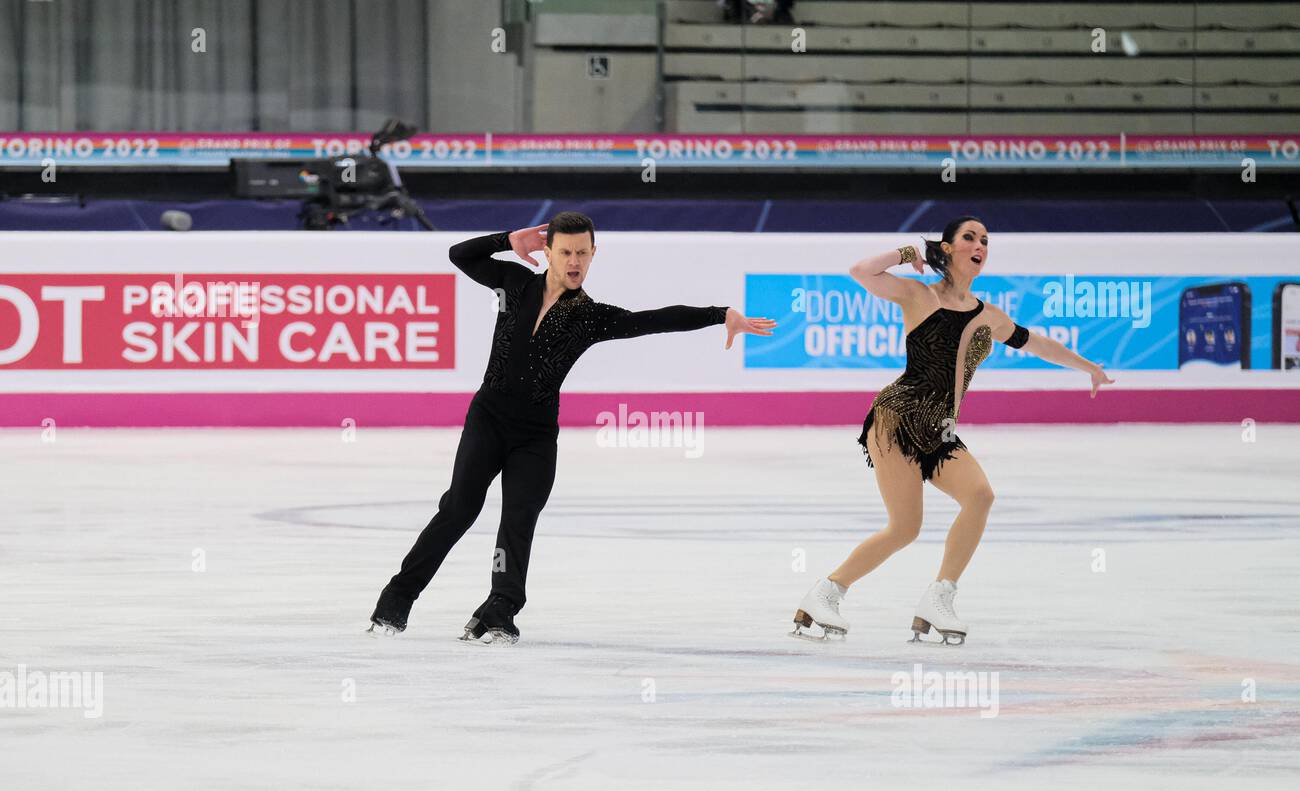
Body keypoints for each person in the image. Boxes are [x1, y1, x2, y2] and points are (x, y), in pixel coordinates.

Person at [370, 212, 775, 644]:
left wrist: (719, 314)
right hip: (488, 419)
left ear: (594, 254)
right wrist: (506, 240)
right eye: (565, 251)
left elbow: (656, 319)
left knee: (519, 518)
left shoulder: (591, 318)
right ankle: (396, 600)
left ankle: (500, 608)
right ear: (547, 253)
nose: (574, 260)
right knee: (458, 509)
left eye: (583, 252)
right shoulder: (513, 284)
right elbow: (459, 255)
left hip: (536, 435)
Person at [791, 216, 1114, 645]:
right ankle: (825, 592)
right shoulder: (917, 295)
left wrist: (1088, 367)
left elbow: (1037, 343)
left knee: (980, 495)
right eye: (969, 238)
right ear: (946, 248)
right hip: (897, 417)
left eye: (985, 240)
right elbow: (861, 271)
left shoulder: (989, 316)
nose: (980, 245)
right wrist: (908, 254)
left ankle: (939, 596)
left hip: (940, 429)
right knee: (904, 528)